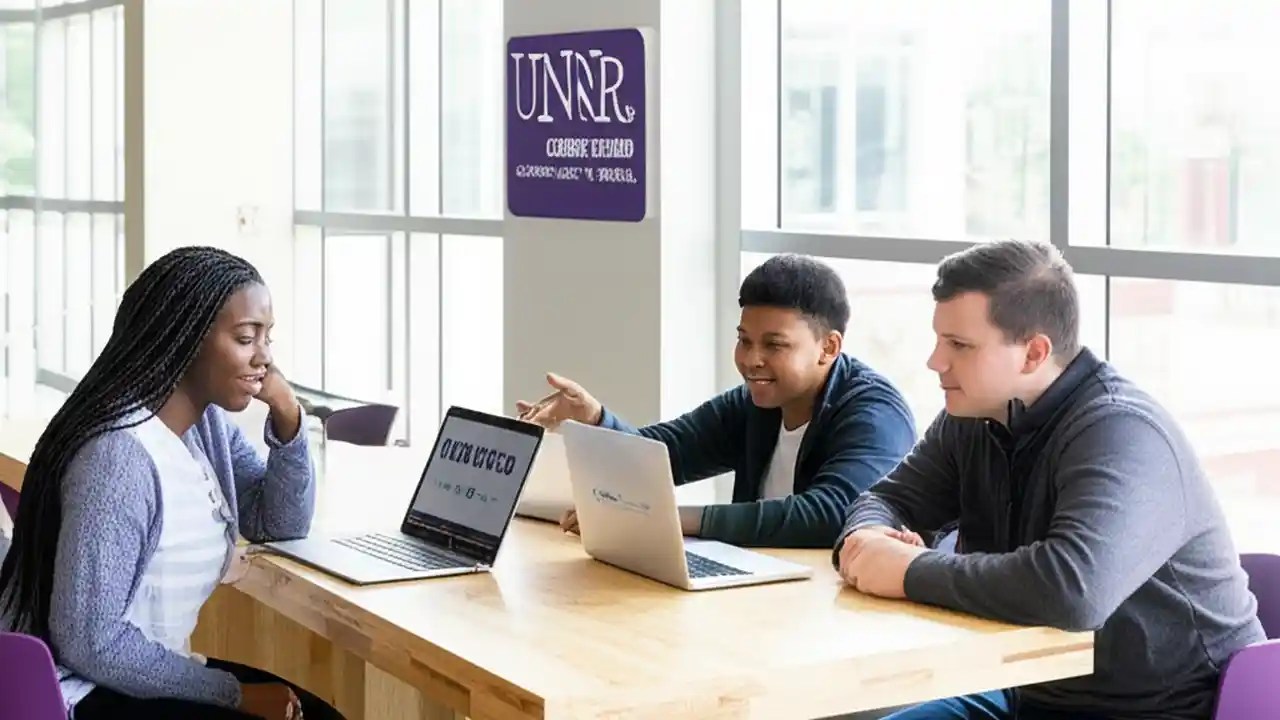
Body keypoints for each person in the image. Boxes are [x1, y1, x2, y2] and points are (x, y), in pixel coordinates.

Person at [834, 239, 1264, 719]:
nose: (935, 361)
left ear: (1033, 353)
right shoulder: (974, 416)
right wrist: (868, 539)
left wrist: (908, 571)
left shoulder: (1122, 431)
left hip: (1163, 711)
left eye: (959, 345)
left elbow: (1073, 590)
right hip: (1031, 694)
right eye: (939, 339)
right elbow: (889, 497)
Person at [0, 246, 344, 720]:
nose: (265, 357)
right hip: (80, 693)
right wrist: (234, 694)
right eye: (246, 338)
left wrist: (288, 413)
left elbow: (277, 523)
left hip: (141, 672)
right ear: (186, 338)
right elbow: (89, 643)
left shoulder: (204, 429)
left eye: (268, 338)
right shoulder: (119, 457)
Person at [517, 254, 917, 548]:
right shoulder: (755, 402)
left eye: (774, 345)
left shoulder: (876, 413)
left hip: (836, 606)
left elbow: (832, 514)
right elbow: (665, 454)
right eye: (744, 340)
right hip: (766, 587)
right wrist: (596, 418)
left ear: (828, 347)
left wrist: (666, 521)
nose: (751, 359)